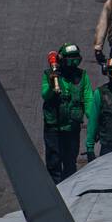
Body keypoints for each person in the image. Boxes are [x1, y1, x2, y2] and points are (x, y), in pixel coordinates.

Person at [41, 44, 94, 183]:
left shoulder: (82, 76)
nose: (73, 63)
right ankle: (56, 190)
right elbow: (45, 95)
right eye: (70, 60)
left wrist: (93, 119)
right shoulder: (49, 74)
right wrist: (53, 85)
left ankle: (70, 189)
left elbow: (88, 98)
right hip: (53, 127)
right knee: (54, 161)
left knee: (70, 161)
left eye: (76, 59)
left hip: (72, 126)